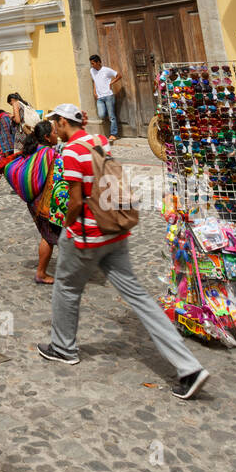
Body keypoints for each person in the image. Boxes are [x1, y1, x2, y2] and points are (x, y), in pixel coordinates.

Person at [37, 103, 210, 402]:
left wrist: (68, 230)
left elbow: (76, 200)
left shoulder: (70, 152)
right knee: (140, 299)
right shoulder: (98, 141)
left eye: (56, 123)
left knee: (66, 287)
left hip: (87, 237)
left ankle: (63, 348)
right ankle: (189, 368)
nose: (54, 129)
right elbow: (107, 179)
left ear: (64, 123)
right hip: (115, 230)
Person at [0, 120, 66, 284]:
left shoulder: (34, 149)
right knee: (52, 237)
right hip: (43, 204)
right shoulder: (48, 153)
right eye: (54, 133)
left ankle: (48, 272)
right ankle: (42, 274)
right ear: (47, 137)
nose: (57, 135)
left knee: (50, 236)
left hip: (36, 202)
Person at [89, 54, 121, 143]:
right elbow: (95, 81)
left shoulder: (106, 70)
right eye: (91, 63)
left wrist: (111, 83)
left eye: (93, 63)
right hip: (99, 97)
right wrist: (94, 91)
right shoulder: (92, 71)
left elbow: (119, 75)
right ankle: (108, 113)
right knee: (102, 114)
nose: (92, 65)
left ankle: (114, 134)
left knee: (112, 117)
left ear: (98, 62)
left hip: (108, 96)